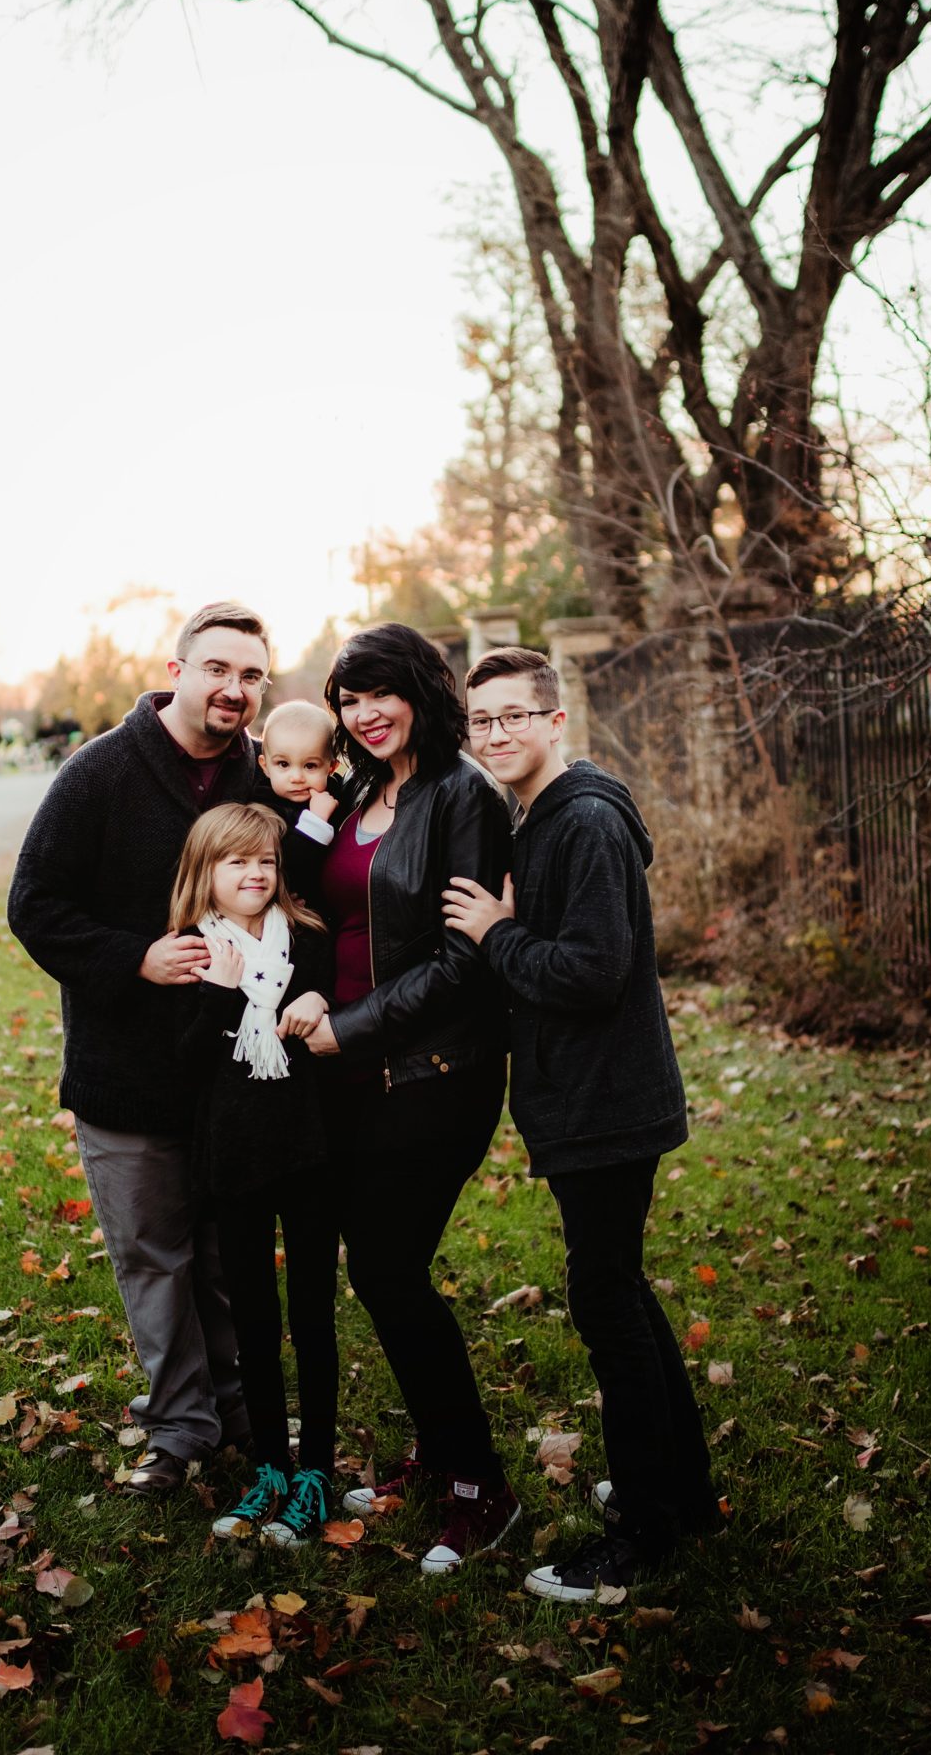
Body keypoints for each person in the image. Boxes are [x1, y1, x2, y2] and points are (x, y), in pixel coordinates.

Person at [442, 646, 717, 1602]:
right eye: (481, 722)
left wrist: (494, 935)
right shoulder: (543, 818)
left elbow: (592, 973)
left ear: (556, 722)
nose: (496, 735)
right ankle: (679, 1489)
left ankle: (641, 1527)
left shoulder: (585, 825)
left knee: (605, 1304)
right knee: (621, 1293)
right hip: (588, 1098)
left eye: (515, 716)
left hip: (606, 1101)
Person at [6, 602, 272, 1493]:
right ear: (179, 668)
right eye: (218, 670)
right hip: (125, 1074)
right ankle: (180, 1429)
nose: (234, 690)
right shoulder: (100, 774)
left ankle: (243, 1412)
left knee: (226, 1259)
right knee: (155, 1258)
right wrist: (135, 958)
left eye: (251, 676)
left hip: (229, 1075)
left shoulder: (257, 776)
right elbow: (34, 905)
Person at [303, 622, 518, 1575]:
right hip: (349, 1074)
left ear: (419, 690)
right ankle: (436, 1454)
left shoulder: (462, 795)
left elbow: (463, 961)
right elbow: (330, 913)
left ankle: (481, 1486)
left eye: (378, 693)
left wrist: (351, 1025)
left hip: (434, 1073)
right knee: (376, 1271)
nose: (363, 714)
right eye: (348, 700)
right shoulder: (356, 790)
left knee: (388, 1269)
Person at [172, 802, 339, 1546]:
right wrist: (217, 994)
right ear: (204, 874)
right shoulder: (188, 952)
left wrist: (317, 994)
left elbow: (336, 997)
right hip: (232, 1161)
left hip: (308, 1151)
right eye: (235, 862)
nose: (254, 874)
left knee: (311, 1315)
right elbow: (178, 1067)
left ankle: (316, 1473)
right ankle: (270, 1465)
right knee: (254, 1323)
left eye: (266, 861)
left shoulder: (306, 937)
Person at [255, 697, 345, 907]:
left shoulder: (341, 797)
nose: (296, 777)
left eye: (310, 766)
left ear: (331, 768)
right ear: (265, 766)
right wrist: (315, 821)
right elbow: (284, 865)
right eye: (283, 764)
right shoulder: (261, 809)